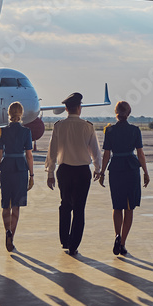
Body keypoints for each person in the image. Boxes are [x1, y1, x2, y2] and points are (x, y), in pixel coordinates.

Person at [45, 92, 101, 256]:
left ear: (66, 109)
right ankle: (73, 244)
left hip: (65, 171)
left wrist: (50, 173)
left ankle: (64, 239)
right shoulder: (87, 126)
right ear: (79, 108)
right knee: (79, 208)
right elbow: (95, 151)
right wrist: (98, 168)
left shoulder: (59, 126)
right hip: (82, 171)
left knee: (65, 205)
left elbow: (52, 151)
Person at [95, 101, 150, 257]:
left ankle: (116, 235)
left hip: (116, 168)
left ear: (116, 113)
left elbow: (106, 154)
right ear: (129, 113)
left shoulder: (110, 130)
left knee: (117, 205)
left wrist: (102, 172)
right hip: (131, 168)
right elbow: (140, 153)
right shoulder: (135, 130)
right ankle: (123, 243)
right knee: (129, 207)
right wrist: (145, 172)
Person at [0, 101, 35, 253]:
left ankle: (7, 231)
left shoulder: (2, 131)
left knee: (6, 204)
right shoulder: (26, 132)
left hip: (6, 168)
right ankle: (12, 235)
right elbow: (29, 155)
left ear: (9, 114)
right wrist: (31, 175)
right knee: (16, 205)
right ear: (21, 114)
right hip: (20, 169)